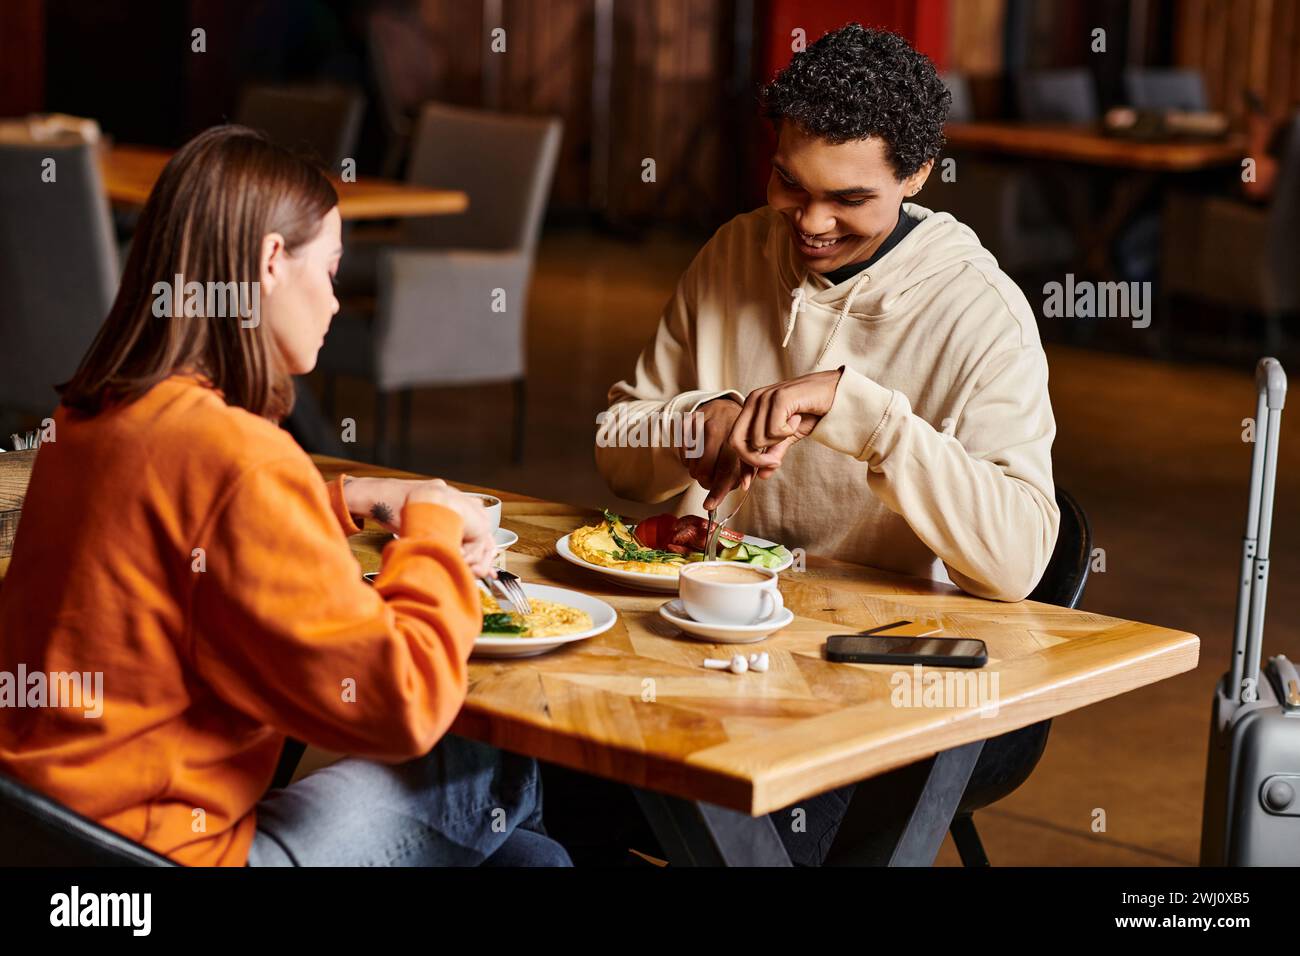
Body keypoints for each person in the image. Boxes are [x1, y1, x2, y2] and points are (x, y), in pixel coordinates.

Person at [0, 125, 569, 867]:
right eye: (330, 272)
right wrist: (428, 530)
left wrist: (340, 497)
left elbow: (184, 529)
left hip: (50, 843)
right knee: (479, 758)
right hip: (173, 857)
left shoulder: (90, 417)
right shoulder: (240, 461)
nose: (335, 303)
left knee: (532, 861)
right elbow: (404, 700)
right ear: (272, 262)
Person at [591, 23, 1059, 864]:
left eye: (848, 201)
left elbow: (1022, 555)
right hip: (712, 653)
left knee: (735, 830)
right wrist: (702, 421)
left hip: (881, 686)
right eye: (789, 183)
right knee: (529, 774)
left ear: (915, 177)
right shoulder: (734, 252)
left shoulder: (981, 311)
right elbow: (620, 451)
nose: (808, 223)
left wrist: (872, 421)